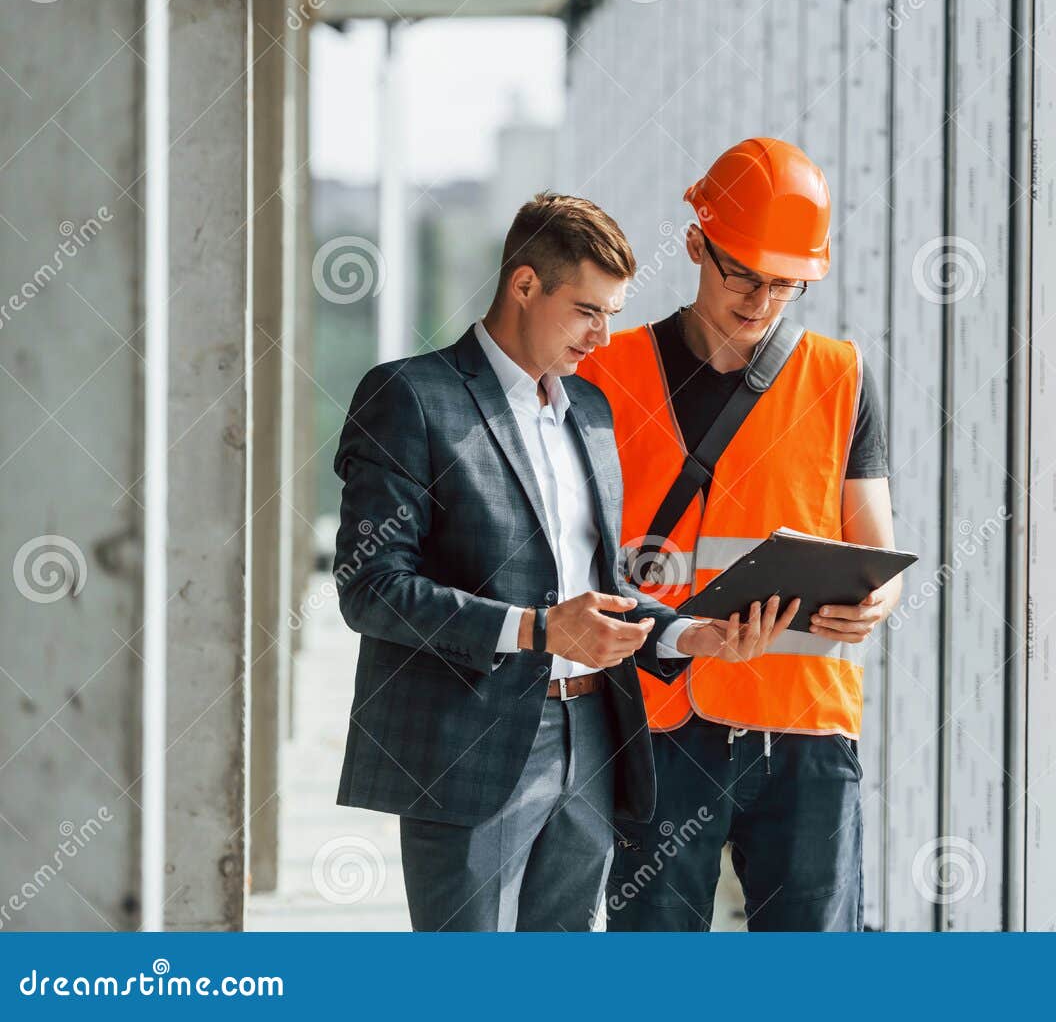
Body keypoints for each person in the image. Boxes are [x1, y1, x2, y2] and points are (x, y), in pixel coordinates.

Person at [332, 192, 798, 931]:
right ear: (524, 285)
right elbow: (372, 587)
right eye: (586, 311)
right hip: (472, 749)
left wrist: (691, 634)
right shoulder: (411, 397)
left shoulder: (591, 410)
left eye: (611, 314)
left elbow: (599, 588)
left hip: (594, 740)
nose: (602, 337)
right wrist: (537, 628)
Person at [578, 138, 900, 931]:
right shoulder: (606, 372)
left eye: (785, 282)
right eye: (745, 275)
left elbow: (876, 550)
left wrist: (875, 601)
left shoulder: (840, 375)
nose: (762, 300)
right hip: (659, 721)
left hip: (803, 724)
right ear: (696, 244)